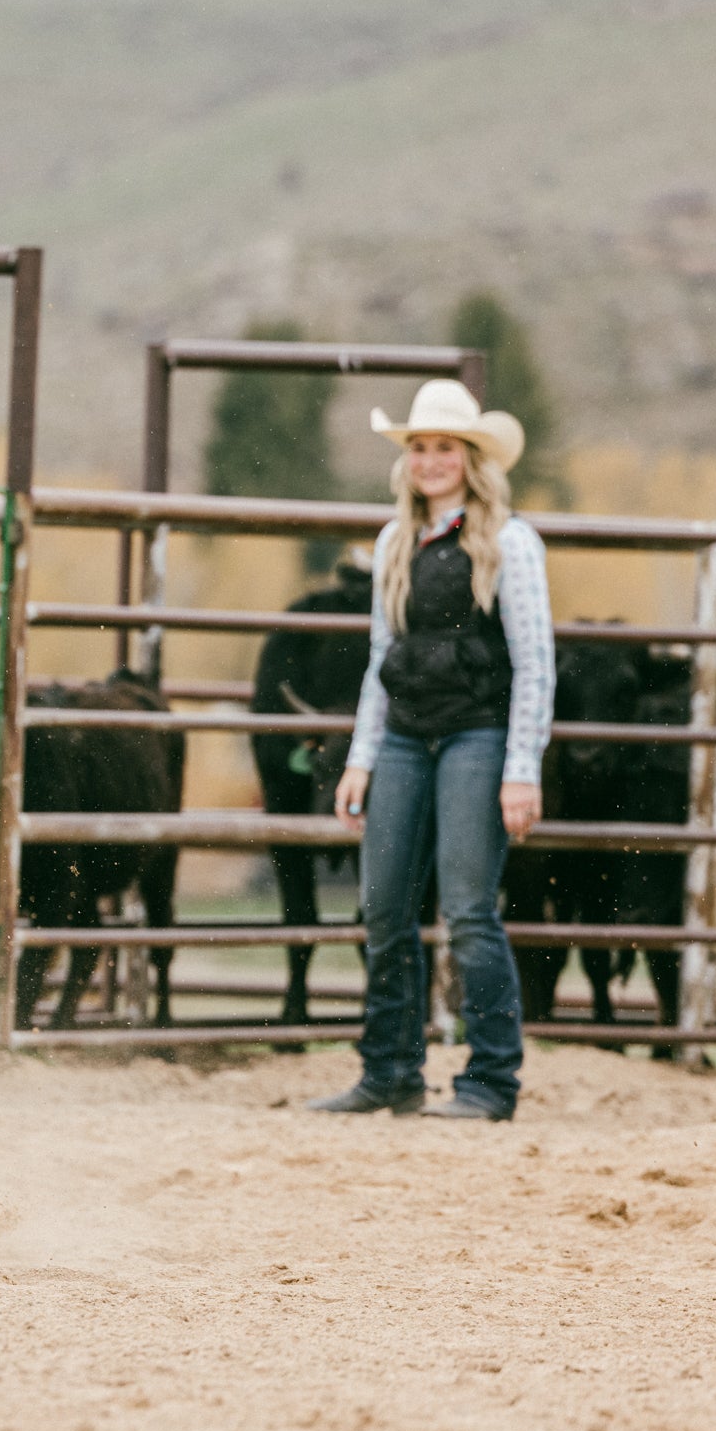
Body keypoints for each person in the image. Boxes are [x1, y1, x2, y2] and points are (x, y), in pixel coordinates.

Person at [311, 380, 553, 1121]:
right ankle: (389, 1069)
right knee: (383, 905)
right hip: (408, 741)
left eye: (444, 447)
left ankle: (490, 1080)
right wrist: (362, 755)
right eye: (419, 447)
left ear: (472, 457)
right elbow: (383, 657)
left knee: (470, 908)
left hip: (476, 736)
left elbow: (534, 660)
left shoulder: (509, 542)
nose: (430, 459)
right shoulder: (395, 543)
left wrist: (520, 768)